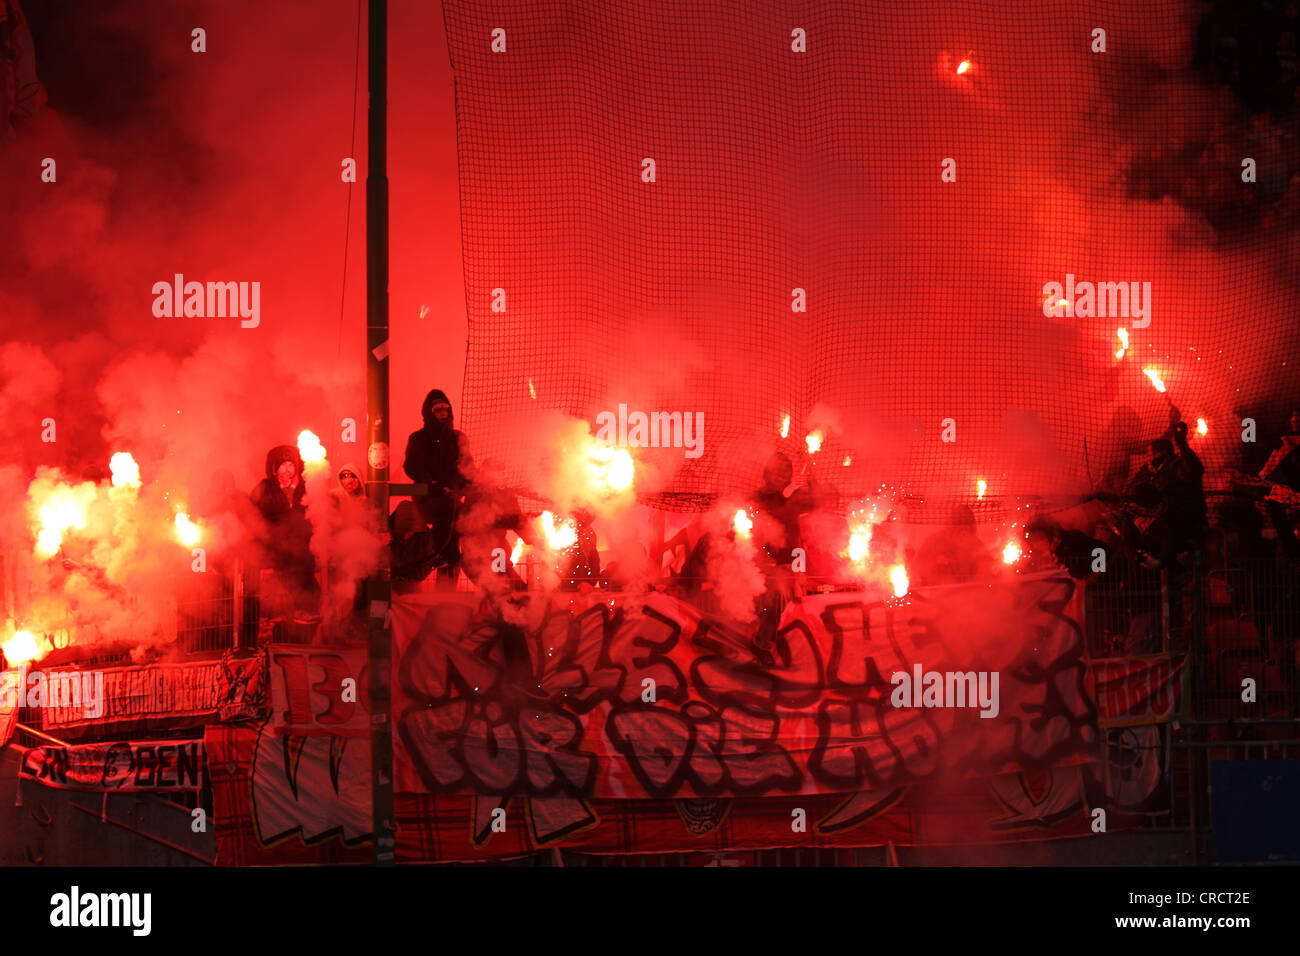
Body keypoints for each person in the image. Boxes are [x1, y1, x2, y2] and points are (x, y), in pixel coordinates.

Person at [403, 389, 469, 575]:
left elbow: (467, 465)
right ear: (429, 412)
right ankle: (437, 555)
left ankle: (446, 589)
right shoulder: (418, 439)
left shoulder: (458, 439)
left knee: (463, 521)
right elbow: (412, 466)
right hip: (427, 498)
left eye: (445, 408)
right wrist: (431, 484)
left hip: (452, 497)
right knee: (449, 518)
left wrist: (459, 483)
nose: (442, 412)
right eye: (437, 409)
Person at [250, 445, 319, 623]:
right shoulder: (266, 487)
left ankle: (307, 610)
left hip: (301, 544)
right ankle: (288, 613)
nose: (288, 469)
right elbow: (254, 515)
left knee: (306, 575)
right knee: (285, 578)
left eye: (291, 465)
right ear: (274, 467)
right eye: (283, 465)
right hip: (276, 544)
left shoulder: (305, 487)